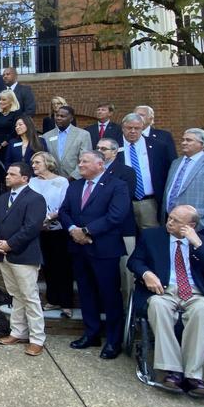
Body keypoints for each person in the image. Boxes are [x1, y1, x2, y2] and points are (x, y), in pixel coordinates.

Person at [127, 205, 204, 396]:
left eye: (176, 221)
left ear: (191, 225)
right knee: (157, 306)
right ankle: (171, 370)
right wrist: (146, 273)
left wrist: (198, 245)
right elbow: (135, 261)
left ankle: (193, 375)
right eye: (169, 218)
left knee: (202, 311)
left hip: (195, 293)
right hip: (164, 290)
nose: (169, 222)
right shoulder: (152, 237)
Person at [58, 150, 131, 359]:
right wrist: (73, 229)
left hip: (104, 249)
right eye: (79, 161)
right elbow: (64, 212)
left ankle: (113, 340)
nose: (80, 165)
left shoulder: (117, 186)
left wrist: (87, 231)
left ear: (100, 164)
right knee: (86, 292)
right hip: (79, 248)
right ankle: (91, 333)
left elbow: (116, 215)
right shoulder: (75, 186)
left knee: (110, 295)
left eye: (85, 161)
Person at [0, 162, 47, 356]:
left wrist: (10, 244)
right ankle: (18, 332)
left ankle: (37, 339)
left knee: (30, 297)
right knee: (16, 294)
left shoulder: (35, 199)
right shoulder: (2, 199)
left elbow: (31, 228)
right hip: (4, 255)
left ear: (24, 178)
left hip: (23, 255)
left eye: (12, 174)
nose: (7, 176)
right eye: (7, 173)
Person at [29, 152, 72, 317]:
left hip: (58, 229)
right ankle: (53, 300)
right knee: (47, 266)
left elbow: (64, 205)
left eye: (37, 162)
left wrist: (47, 218)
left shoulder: (61, 182)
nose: (34, 166)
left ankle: (66, 303)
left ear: (48, 163)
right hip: (38, 231)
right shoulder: (32, 182)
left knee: (62, 266)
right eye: (33, 163)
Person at [97, 137, 139, 304]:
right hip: (98, 231)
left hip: (122, 230)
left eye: (104, 149)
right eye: (97, 147)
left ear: (115, 152)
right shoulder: (92, 171)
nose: (99, 151)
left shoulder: (126, 171)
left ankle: (128, 311)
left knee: (126, 273)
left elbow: (123, 201)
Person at [119, 112, 171, 230]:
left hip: (149, 203)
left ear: (142, 128)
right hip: (122, 202)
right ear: (122, 128)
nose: (132, 131)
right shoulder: (113, 146)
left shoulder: (158, 146)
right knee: (127, 239)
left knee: (151, 237)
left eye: (136, 128)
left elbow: (167, 171)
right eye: (129, 128)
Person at [41, 104, 91, 180]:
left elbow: (86, 159)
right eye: (57, 116)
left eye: (62, 116)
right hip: (53, 179)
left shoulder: (83, 135)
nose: (58, 118)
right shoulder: (47, 136)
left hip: (75, 179)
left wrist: (73, 177)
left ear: (71, 119)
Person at [0, 89, 22, 159]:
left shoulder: (16, 114)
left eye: (4, 100)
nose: (0, 102)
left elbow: (14, 133)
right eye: (0, 99)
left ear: (11, 101)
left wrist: (0, 146)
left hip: (10, 147)